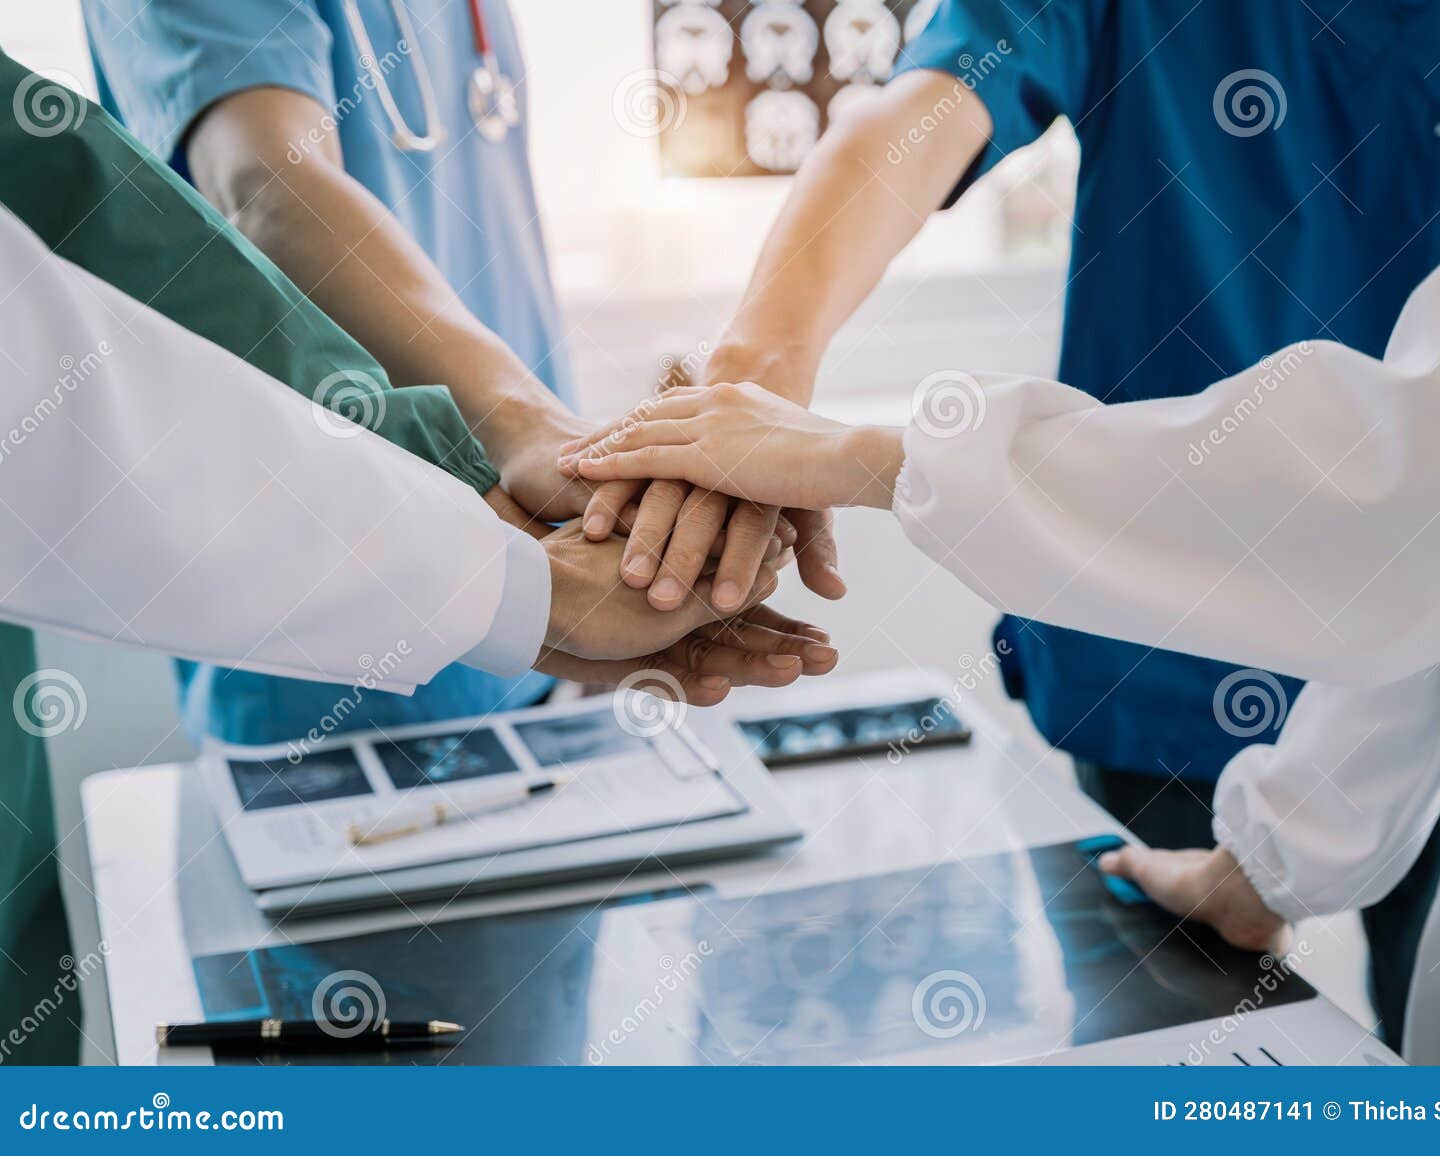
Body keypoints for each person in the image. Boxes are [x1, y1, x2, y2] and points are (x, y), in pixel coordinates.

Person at [558, 0, 1440, 1062]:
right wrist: (751, 385)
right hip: (1171, 657)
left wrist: (830, 448)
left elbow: (1436, 490)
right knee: (1163, 1074)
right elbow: (917, 115)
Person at [0, 56, 834, 1063]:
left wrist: (692, 445)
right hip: (353, 671)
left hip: (526, 618)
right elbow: (214, 219)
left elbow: (90, 222)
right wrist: (520, 543)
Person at [80, 0, 840, 748]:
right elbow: (266, 187)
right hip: (333, 663)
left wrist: (653, 471)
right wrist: (535, 431)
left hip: (550, 606)